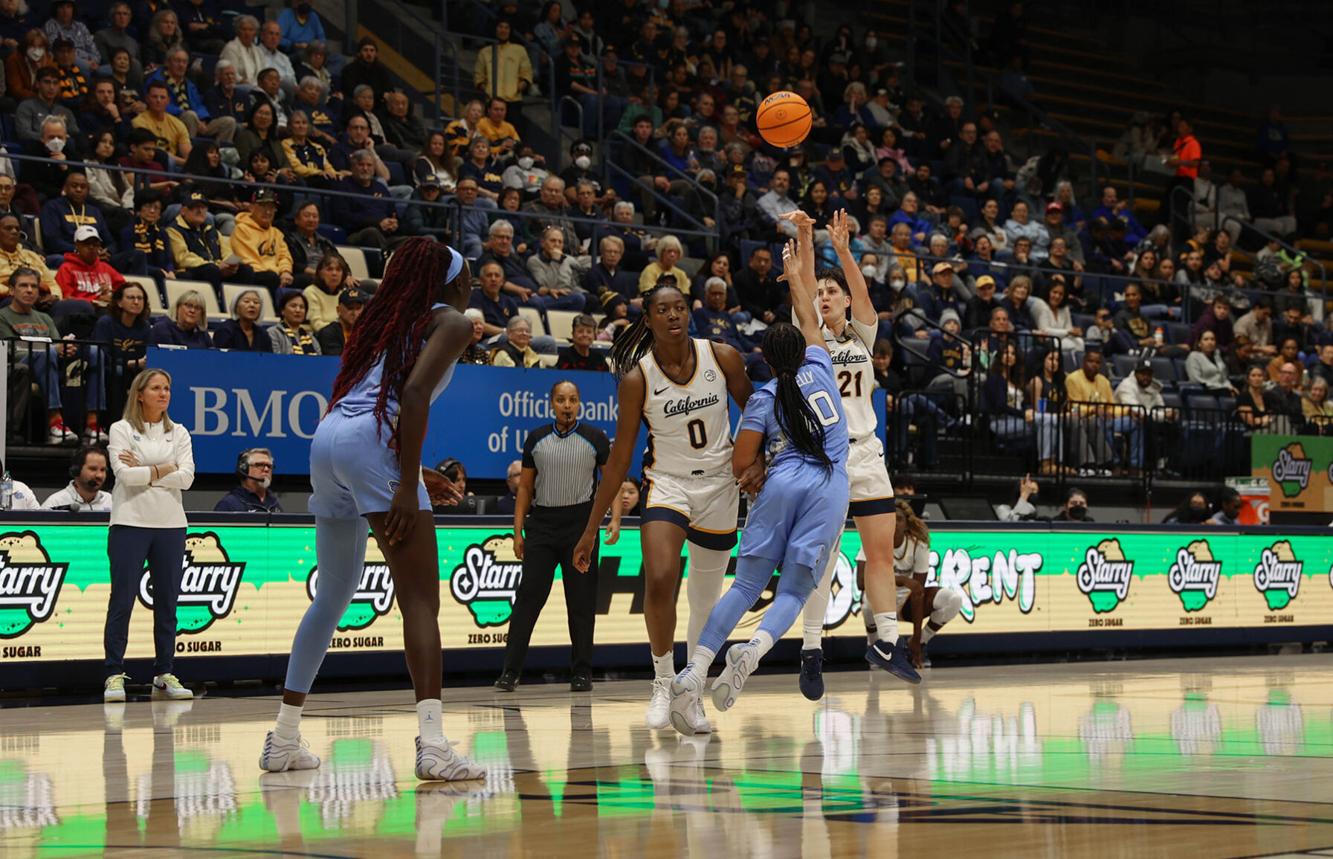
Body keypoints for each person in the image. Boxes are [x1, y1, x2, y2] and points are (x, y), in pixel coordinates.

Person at [258, 239, 486, 782]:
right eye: (468, 277)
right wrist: (405, 483)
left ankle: (283, 739)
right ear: (451, 281)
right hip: (372, 444)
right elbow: (413, 396)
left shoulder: (389, 319)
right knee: (420, 601)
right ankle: (434, 746)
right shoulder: (453, 321)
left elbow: (372, 402)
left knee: (332, 596)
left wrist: (414, 470)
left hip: (330, 439)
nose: (471, 286)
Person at [664, 212, 848, 733]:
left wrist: (764, 463)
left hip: (783, 481)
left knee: (745, 587)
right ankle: (755, 650)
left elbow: (741, 463)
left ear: (764, 358)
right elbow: (809, 314)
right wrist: (798, 271)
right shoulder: (822, 368)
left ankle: (694, 670)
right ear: (804, 351)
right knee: (794, 592)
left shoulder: (764, 398)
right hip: (829, 486)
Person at [571, 277, 756, 733]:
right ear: (648, 319)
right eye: (663, 310)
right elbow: (619, 459)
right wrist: (591, 528)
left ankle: (690, 693)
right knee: (659, 577)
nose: (673, 315)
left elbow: (758, 414)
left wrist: (759, 462)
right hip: (667, 484)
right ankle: (661, 681)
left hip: (719, 485)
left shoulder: (722, 356)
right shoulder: (638, 379)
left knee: (705, 601)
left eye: (680, 308)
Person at [799, 210, 919, 701]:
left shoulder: (863, 335)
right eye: (820, 293)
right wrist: (805, 237)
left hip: (867, 453)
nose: (825, 296)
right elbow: (804, 289)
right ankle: (811, 649)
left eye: (833, 292)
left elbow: (865, 296)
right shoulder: (810, 335)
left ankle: (888, 643)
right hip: (826, 458)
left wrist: (845, 251)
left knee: (881, 554)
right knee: (823, 559)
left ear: (846, 300)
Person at [496, 380, 616, 693]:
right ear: (551, 403)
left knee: (581, 602)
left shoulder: (595, 438)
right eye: (561, 400)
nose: (567, 406)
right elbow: (525, 487)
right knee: (528, 599)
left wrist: (615, 518)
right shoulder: (536, 439)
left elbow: (611, 481)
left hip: (581, 527)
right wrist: (517, 530)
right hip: (543, 525)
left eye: (573, 400)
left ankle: (582, 672)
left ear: (579, 404)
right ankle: (510, 671)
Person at [103, 368, 195, 703]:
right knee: (122, 600)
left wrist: (145, 468)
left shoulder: (179, 432)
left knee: (168, 603)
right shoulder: (121, 429)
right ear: (140, 394)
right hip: (129, 522)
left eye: (167, 388)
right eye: (156, 388)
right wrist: (165, 468)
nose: (163, 393)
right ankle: (114, 673)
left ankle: (164, 672)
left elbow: (187, 478)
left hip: (171, 524)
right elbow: (124, 477)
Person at [1, 267, 105, 444]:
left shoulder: (45, 318)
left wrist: (67, 348)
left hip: (50, 363)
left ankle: (92, 423)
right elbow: (11, 352)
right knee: (45, 353)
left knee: (95, 351)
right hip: (20, 369)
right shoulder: (2, 317)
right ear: (11, 290)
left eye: (34, 286)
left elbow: (57, 345)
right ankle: (55, 423)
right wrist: (55, 349)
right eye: (23, 286)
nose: (29, 290)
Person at [887, 500, 963, 669]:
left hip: (907, 601)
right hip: (882, 601)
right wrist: (902, 580)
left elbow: (917, 592)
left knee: (954, 600)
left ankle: (919, 643)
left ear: (907, 524)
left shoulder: (919, 545)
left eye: (899, 519)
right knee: (867, 604)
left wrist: (917, 636)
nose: (894, 523)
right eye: (890, 519)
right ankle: (874, 648)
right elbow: (863, 582)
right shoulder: (876, 541)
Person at [41, 444, 112, 511]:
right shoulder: (55, 502)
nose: (99, 475)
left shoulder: (112, 501)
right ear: (76, 470)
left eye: (103, 470)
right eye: (93, 469)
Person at [214, 447, 281, 512]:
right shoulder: (229, 505)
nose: (266, 469)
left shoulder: (274, 503)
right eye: (260, 465)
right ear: (244, 469)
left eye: (269, 466)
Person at [316, 285, 368, 357]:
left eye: (358, 308)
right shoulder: (328, 333)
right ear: (338, 310)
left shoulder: (366, 332)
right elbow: (337, 360)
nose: (354, 313)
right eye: (350, 308)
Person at [268, 290, 320, 355]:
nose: (298, 310)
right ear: (282, 311)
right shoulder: (273, 333)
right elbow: (274, 359)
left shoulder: (311, 338)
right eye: (293, 306)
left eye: (302, 307)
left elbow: (319, 360)